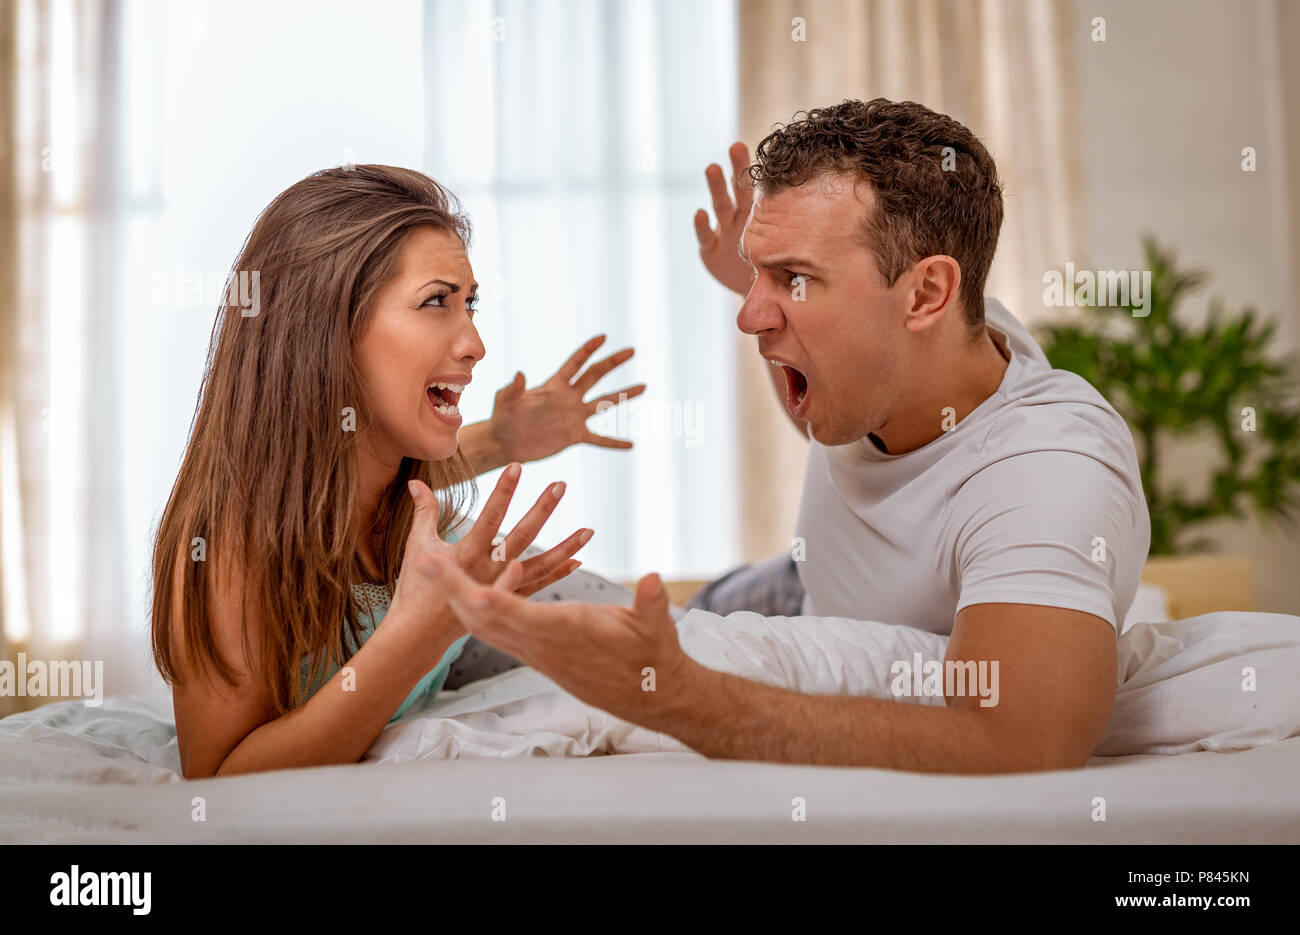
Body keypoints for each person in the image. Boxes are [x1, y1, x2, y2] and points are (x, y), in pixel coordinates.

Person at [428, 99, 1152, 774]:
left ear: (927, 293)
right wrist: (760, 279)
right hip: (781, 586)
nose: (749, 316)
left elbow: (1025, 735)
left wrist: (682, 699)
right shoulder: (912, 347)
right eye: (758, 274)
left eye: (795, 278)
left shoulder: (1049, 469)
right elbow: (825, 413)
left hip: (798, 622)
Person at [150, 165, 641, 778]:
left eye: (470, 303)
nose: (476, 343)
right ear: (326, 330)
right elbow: (218, 780)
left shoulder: (402, 494)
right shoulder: (229, 545)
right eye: (436, 301)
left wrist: (507, 438)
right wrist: (422, 635)